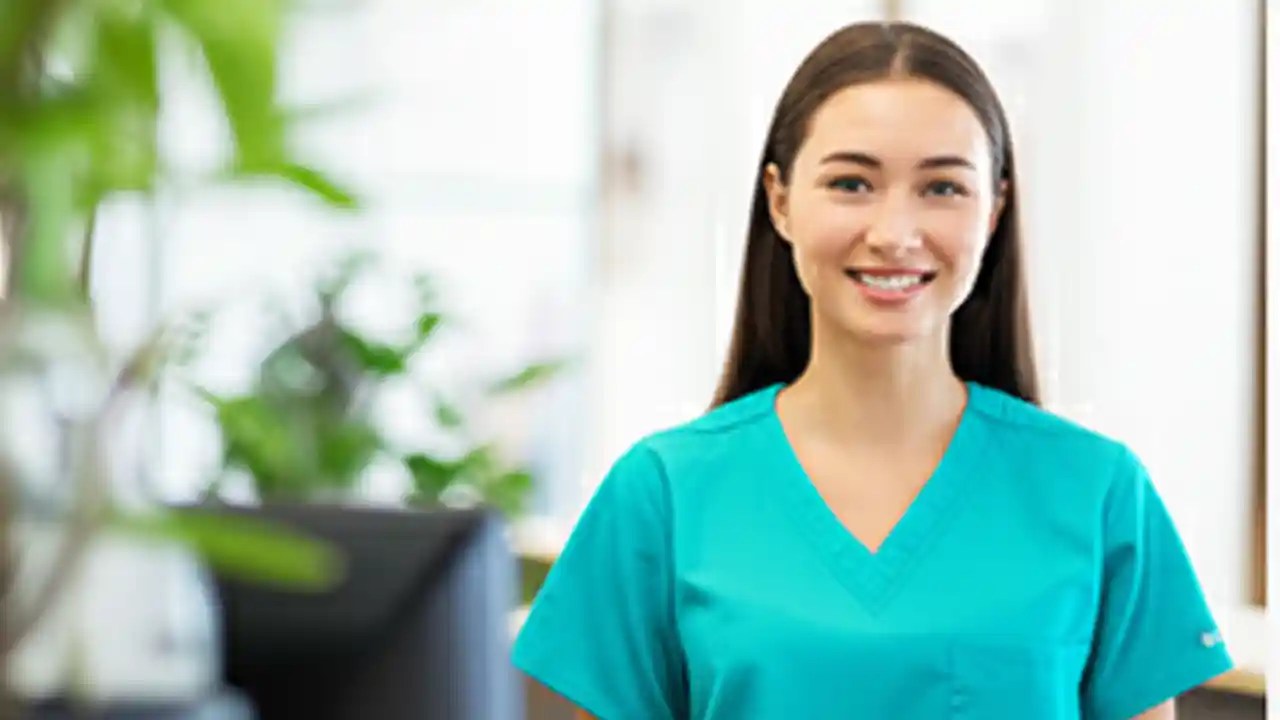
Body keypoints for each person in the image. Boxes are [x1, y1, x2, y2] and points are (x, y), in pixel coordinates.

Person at [512, 20, 1232, 720]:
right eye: (852, 183)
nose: (894, 234)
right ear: (780, 200)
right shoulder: (661, 495)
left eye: (943, 188)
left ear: (994, 209)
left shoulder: (1098, 493)